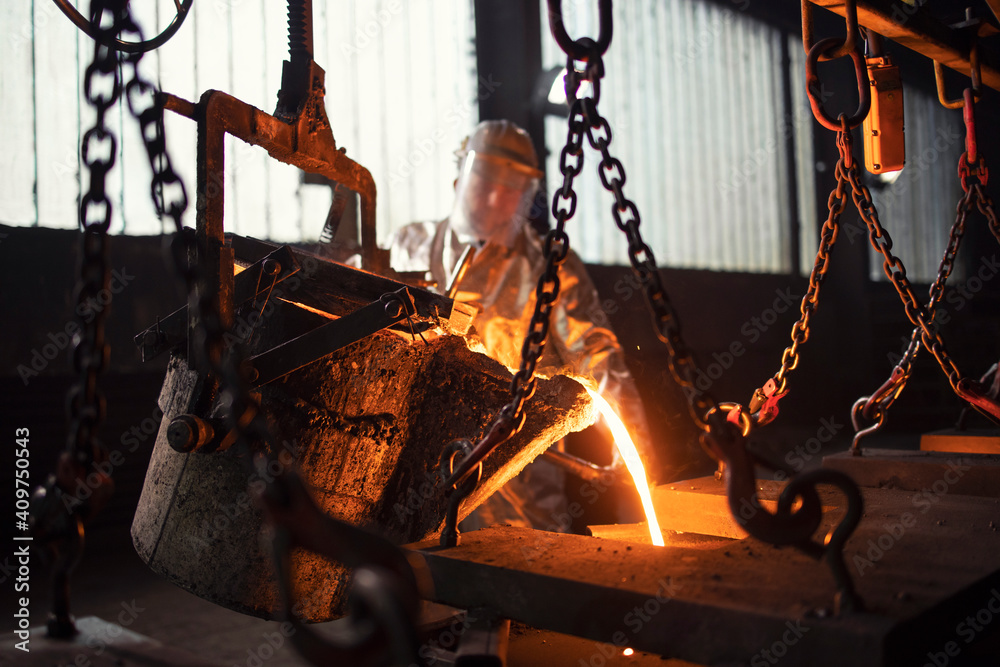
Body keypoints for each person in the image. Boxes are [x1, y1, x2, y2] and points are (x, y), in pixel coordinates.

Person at [387, 119, 656, 530]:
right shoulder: (408, 246)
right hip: (408, 469)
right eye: (486, 180)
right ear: (459, 181)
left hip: (516, 491)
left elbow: (600, 359)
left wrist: (634, 452)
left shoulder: (551, 269)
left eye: (511, 187)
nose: (497, 196)